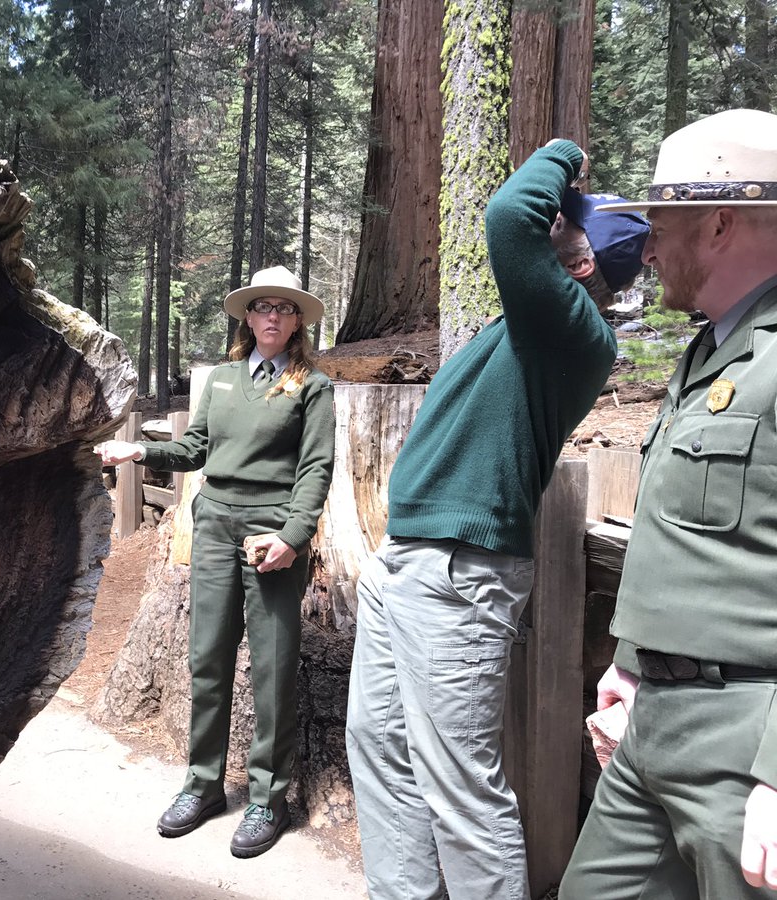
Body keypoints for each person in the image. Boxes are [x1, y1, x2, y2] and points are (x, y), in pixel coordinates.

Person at [344, 139, 650, 900]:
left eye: (567, 225)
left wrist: (566, 153)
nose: (551, 226)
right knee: (380, 746)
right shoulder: (528, 322)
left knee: (459, 789)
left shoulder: (571, 326)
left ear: (581, 265)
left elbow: (510, 214)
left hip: (458, 573)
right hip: (409, 559)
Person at [560, 108, 777, 899]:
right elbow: (695, 538)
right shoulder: (712, 350)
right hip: (654, 715)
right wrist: (630, 663)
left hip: (747, 742)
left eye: (662, 222)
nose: (648, 247)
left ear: (718, 222)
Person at [96, 264, 335, 858]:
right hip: (214, 526)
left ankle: (267, 800)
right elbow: (195, 448)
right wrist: (138, 449)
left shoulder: (312, 386)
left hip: (271, 534)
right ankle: (202, 786)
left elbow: (316, 469)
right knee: (207, 659)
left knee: (274, 667)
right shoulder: (225, 378)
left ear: (297, 319)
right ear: (247, 317)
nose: (272, 317)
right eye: (262, 307)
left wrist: (294, 535)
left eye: (284, 308)